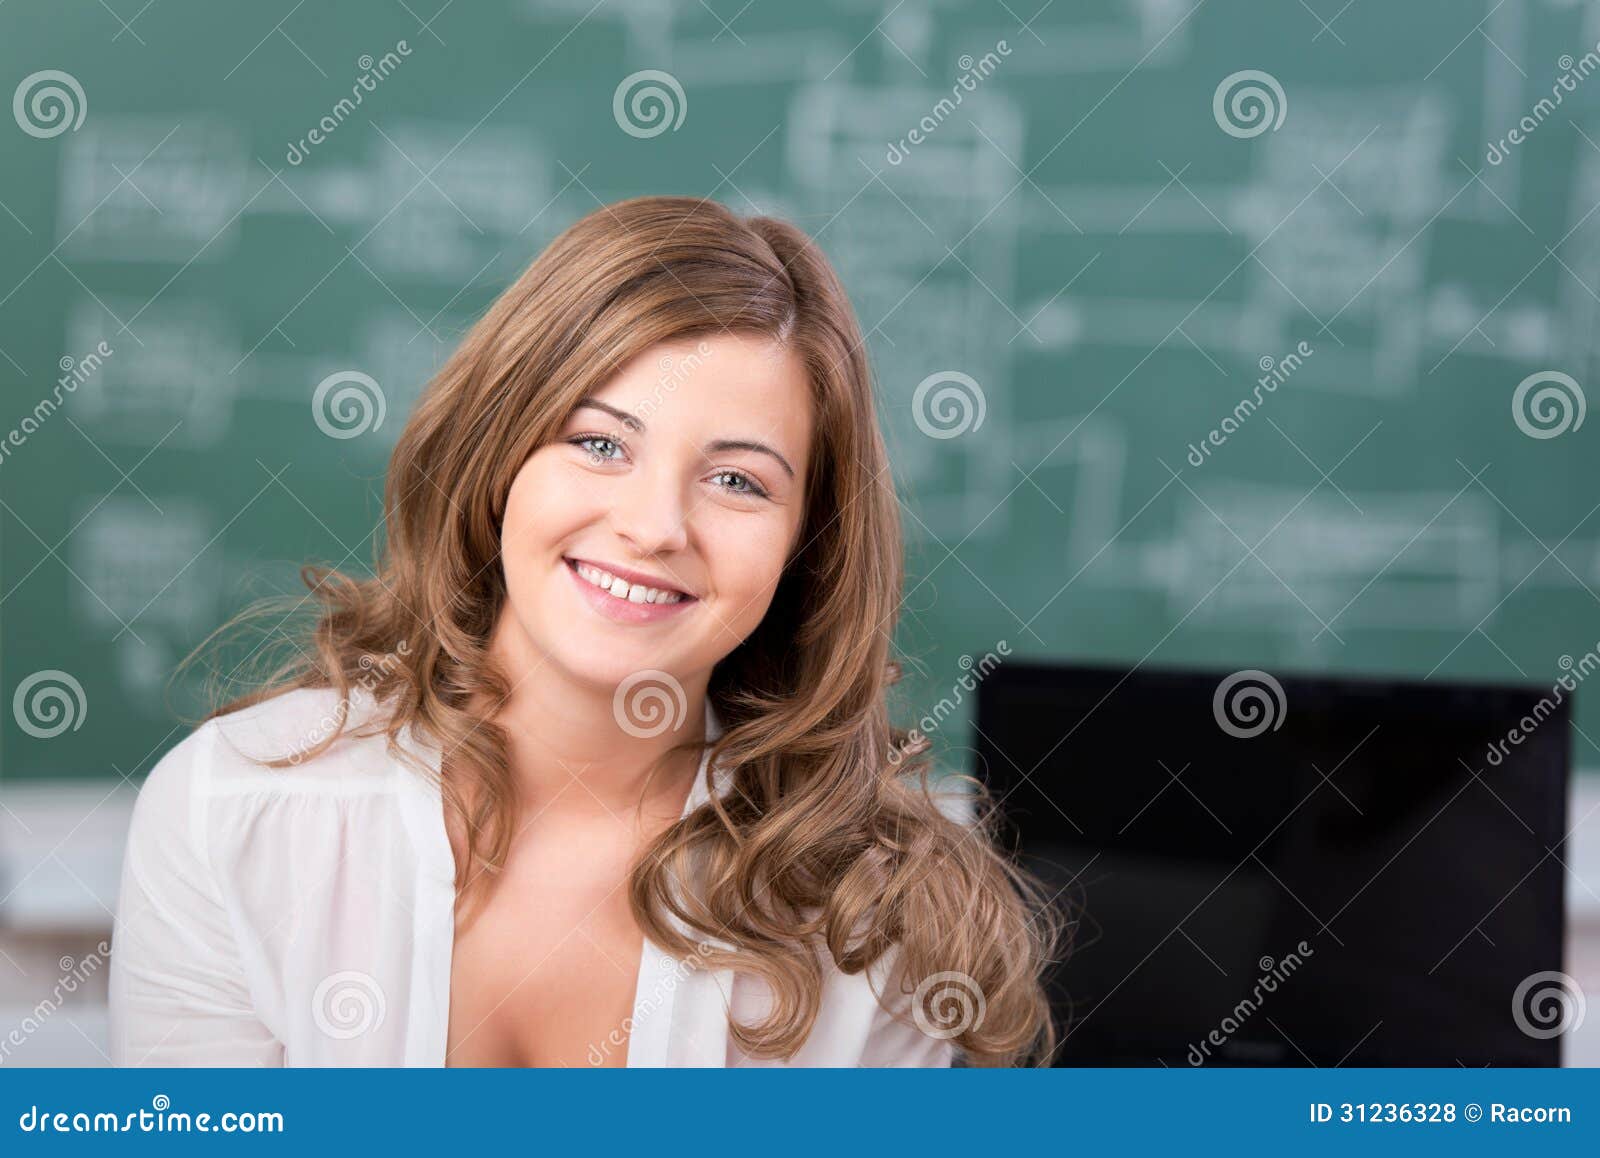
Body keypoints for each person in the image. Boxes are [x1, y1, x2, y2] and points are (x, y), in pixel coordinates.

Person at [108, 196, 1062, 1067]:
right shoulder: (234, 812)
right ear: (498, 458)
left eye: (737, 481)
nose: (654, 527)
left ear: (804, 546)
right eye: (599, 443)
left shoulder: (877, 916)